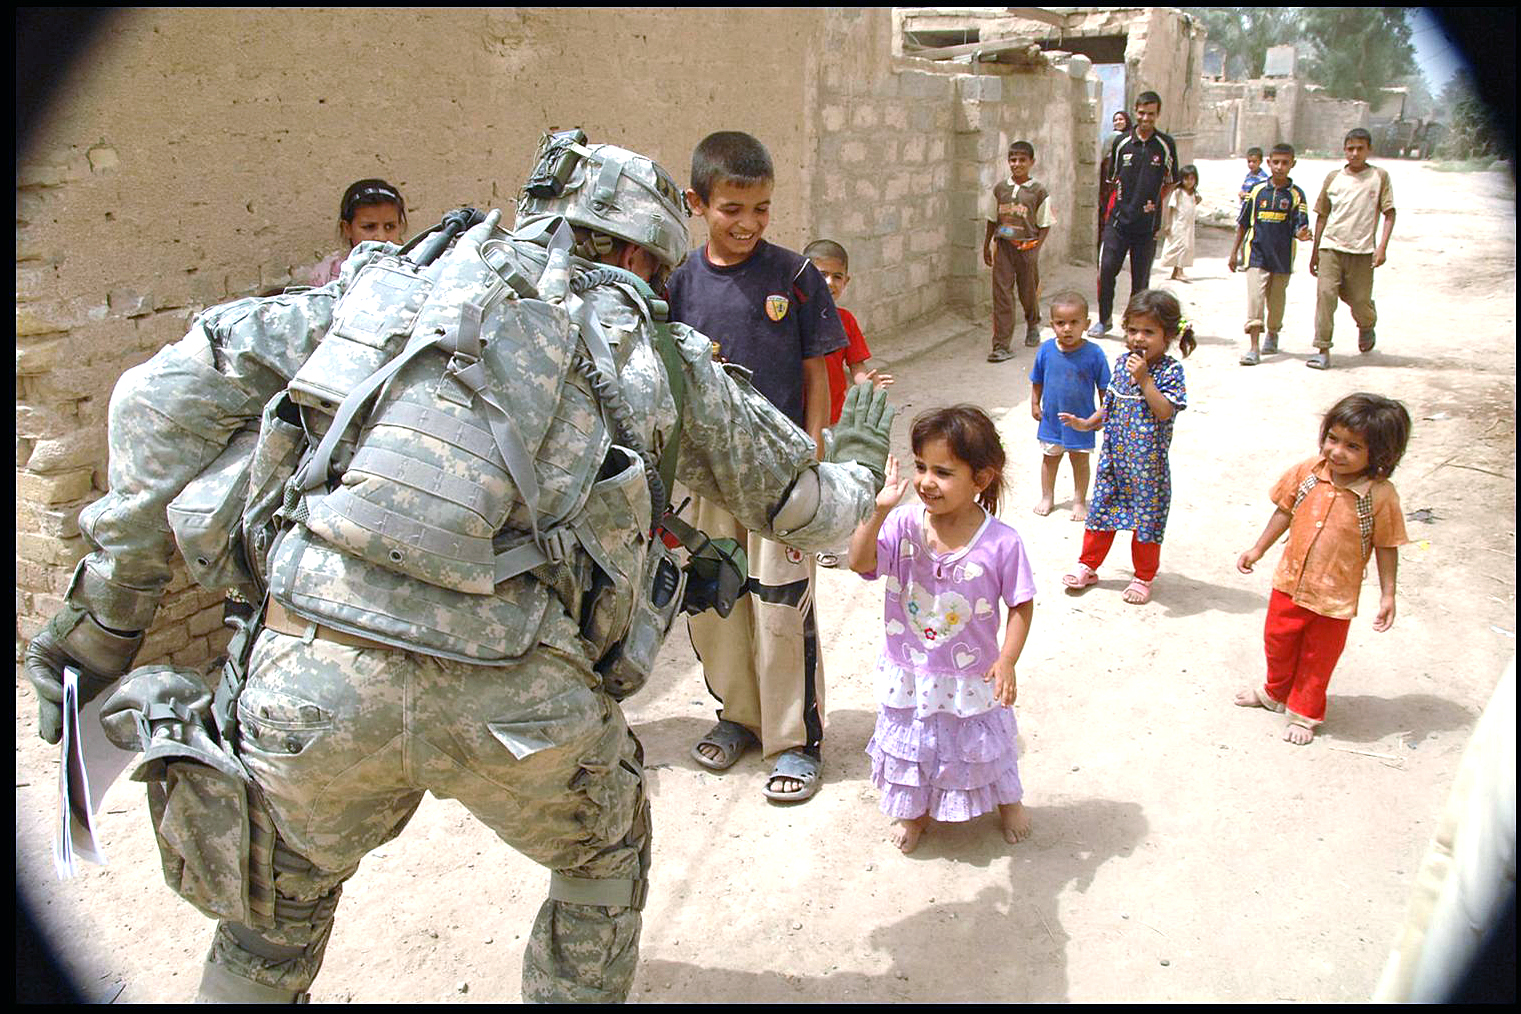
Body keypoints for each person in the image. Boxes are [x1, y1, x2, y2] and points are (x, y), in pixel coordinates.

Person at [20, 134, 894, 1003]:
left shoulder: (386, 285)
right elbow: (808, 510)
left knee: (271, 908)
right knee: (601, 852)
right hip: (518, 701)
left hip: (311, 675)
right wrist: (853, 460)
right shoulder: (659, 354)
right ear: (637, 254)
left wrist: (110, 618)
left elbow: (152, 396)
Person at [668, 130, 846, 803]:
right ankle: (737, 716)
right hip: (709, 476)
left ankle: (794, 738)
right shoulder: (679, 283)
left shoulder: (793, 277)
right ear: (698, 203)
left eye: (762, 209)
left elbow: (814, 369)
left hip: (778, 475)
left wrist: (812, 453)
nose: (748, 224)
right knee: (718, 603)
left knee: (781, 606)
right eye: (731, 209)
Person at [848, 406, 1035, 854]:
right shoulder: (901, 524)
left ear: (981, 479)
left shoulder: (1002, 542)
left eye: (944, 472)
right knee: (917, 745)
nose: (927, 481)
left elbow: (1021, 605)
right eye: (921, 467)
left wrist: (1006, 659)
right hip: (911, 669)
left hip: (974, 673)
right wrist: (876, 513)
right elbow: (860, 562)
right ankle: (915, 812)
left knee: (983, 743)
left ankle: (1008, 801)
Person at [1233, 393, 1412, 745]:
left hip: (1335, 597)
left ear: (1380, 454)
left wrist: (1389, 594)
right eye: (1333, 439)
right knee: (1277, 641)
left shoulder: (1380, 495)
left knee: (1318, 656)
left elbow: (1386, 545)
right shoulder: (1308, 472)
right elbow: (1284, 511)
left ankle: (1305, 712)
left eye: (1353, 446)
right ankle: (1275, 692)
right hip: (1290, 581)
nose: (1336, 452)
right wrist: (1258, 548)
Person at [1061, 289, 1194, 605]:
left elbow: (1164, 411)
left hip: (1148, 469)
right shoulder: (1122, 364)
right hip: (1114, 462)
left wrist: (1146, 379)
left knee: (1145, 523)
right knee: (1101, 514)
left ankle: (1144, 576)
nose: (1139, 338)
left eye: (1149, 332)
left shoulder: (1170, 371)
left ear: (1169, 335)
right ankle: (1088, 565)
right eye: (1133, 330)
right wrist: (1086, 423)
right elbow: (1111, 405)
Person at [805, 238, 893, 568]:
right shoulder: (793, 318)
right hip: (799, 417)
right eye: (821, 274)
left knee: (832, 479)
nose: (829, 283)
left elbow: (856, 367)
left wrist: (866, 385)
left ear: (847, 281)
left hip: (834, 419)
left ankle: (829, 540)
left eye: (837, 276)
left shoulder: (846, 321)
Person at [1091, 91, 1179, 338]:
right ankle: (1104, 319)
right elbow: (1112, 178)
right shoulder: (1121, 143)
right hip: (1118, 222)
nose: (1145, 118)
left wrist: (1154, 202)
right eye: (1141, 113)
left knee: (1140, 282)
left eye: (1151, 114)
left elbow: (1171, 181)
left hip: (1146, 226)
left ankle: (1133, 325)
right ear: (1135, 112)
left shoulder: (1165, 145)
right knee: (1107, 270)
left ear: (1157, 114)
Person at [1307, 128, 1396, 370]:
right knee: (1326, 296)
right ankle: (1322, 349)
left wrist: (1382, 248)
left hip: (1362, 250)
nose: (1355, 153)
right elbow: (1322, 215)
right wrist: (1315, 251)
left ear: (1369, 150)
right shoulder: (1333, 177)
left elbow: (1389, 213)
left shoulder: (1379, 177)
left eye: (1360, 148)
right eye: (1350, 148)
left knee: (1359, 301)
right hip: (1331, 248)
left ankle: (1367, 323)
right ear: (1344, 150)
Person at [1029, 290, 1111, 521]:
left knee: (1080, 461)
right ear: (1051, 324)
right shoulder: (1046, 350)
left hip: (1082, 421)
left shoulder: (1094, 354)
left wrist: (1101, 416)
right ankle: (1047, 496)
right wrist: (1035, 403)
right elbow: (1037, 379)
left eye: (1074, 322)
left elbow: (1105, 387)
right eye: (1060, 323)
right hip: (1052, 421)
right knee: (1050, 459)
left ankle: (1078, 501)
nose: (1067, 328)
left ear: (1086, 324)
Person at [1228, 143, 1312, 365]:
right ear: (1269, 163)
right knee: (1255, 300)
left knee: (1276, 302)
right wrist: (1234, 252)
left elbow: (1300, 225)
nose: (1280, 167)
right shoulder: (1257, 192)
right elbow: (1243, 224)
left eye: (1285, 163)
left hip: (1282, 258)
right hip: (1256, 255)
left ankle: (1273, 332)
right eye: (1276, 162)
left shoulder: (1296, 195)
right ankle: (1254, 348)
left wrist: (1302, 234)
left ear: (1293, 164)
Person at [982, 140, 1054, 360]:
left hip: (1027, 248)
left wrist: (1035, 250)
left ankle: (1033, 322)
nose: (1017, 164)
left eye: (1022, 160)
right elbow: (992, 219)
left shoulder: (1038, 192)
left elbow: (1045, 224)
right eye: (1013, 160)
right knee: (1002, 294)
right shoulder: (1000, 189)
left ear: (1032, 162)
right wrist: (987, 245)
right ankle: (1001, 345)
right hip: (1003, 246)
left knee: (1027, 291)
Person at [299, 178, 407, 287]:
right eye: (369, 227)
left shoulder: (412, 273)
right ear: (347, 229)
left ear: (400, 227)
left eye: (390, 227)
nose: (381, 237)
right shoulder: (327, 275)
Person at [1098, 110, 1133, 261]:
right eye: (1115, 120)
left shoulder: (1125, 138)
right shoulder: (1118, 137)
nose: (1118, 122)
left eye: (1121, 119)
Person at [1157, 164, 1200, 282]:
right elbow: (1171, 208)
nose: (1189, 182)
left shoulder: (1194, 194)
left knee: (1186, 246)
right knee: (1181, 246)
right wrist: (1168, 224)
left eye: (1192, 179)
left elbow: (1193, 204)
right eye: (1186, 179)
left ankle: (1176, 272)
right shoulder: (1178, 192)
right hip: (1178, 225)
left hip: (1188, 226)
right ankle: (1180, 271)